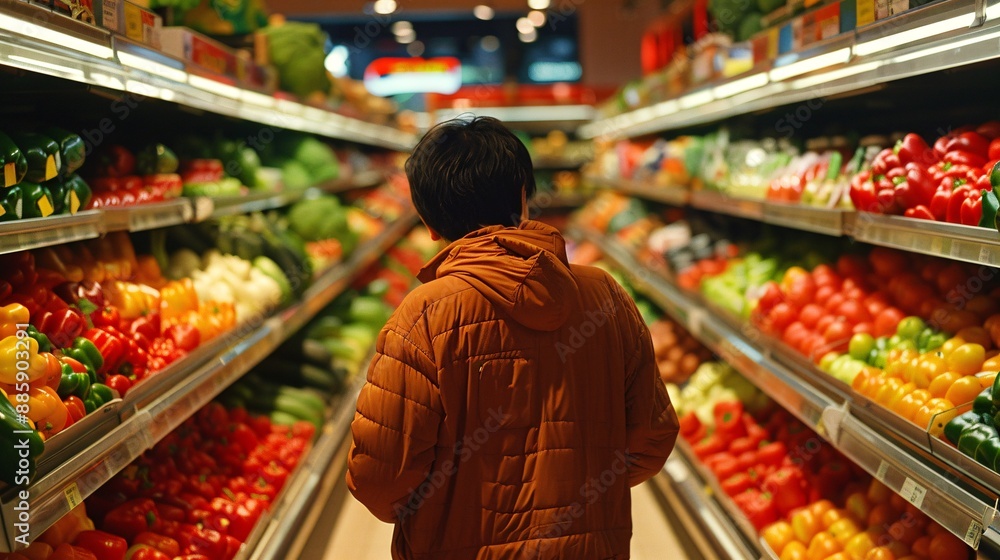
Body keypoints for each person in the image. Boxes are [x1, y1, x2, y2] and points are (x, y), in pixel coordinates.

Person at [346, 116, 679, 560]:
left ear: (427, 221)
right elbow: (652, 437)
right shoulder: (606, 296)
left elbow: (380, 477)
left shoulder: (422, 317)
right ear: (523, 198)